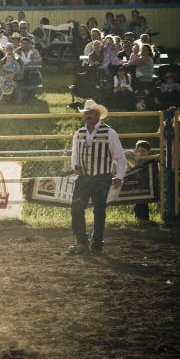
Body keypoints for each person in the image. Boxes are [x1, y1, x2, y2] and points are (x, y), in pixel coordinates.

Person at [67, 99, 127, 254]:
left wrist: (119, 176)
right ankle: (82, 241)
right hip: (84, 177)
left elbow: (120, 157)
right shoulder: (79, 133)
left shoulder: (109, 133)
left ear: (98, 115)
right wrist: (75, 165)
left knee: (99, 211)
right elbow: (74, 155)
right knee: (76, 208)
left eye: (91, 112)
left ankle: (96, 243)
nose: (88, 115)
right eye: (86, 112)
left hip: (102, 178)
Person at [124, 140, 154, 221]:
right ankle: (139, 219)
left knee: (143, 202)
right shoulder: (136, 161)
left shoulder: (151, 161)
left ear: (148, 151)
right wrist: (135, 156)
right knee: (138, 201)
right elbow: (125, 154)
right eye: (139, 151)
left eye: (143, 151)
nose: (141, 153)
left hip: (147, 187)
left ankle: (144, 219)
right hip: (138, 187)